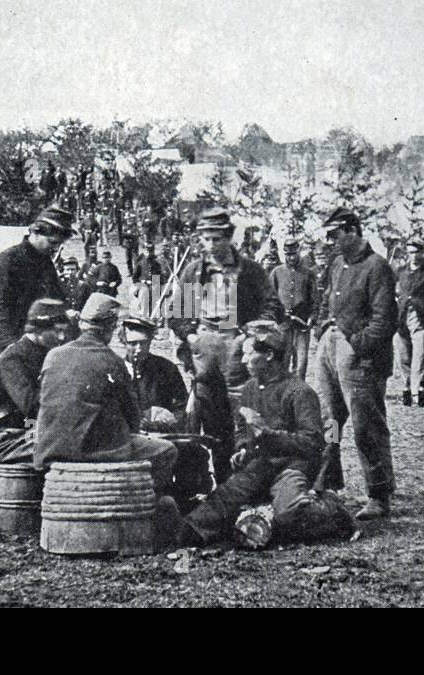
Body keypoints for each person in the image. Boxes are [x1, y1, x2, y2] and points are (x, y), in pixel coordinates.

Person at [178, 321, 355, 548]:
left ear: (269, 355)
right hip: (260, 464)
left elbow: (313, 443)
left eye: (248, 354)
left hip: (292, 467)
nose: (242, 361)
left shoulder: (299, 392)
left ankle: (334, 514)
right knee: (220, 501)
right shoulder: (251, 388)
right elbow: (242, 429)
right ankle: (193, 531)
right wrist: (243, 448)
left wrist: (268, 435)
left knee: (288, 513)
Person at [34, 293, 181, 542]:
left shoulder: (53, 355)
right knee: (166, 451)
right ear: (110, 329)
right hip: (92, 448)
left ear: (82, 324)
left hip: (49, 446)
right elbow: (133, 421)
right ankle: (143, 507)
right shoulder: (112, 362)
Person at [167, 208, 282, 485]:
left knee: (243, 414)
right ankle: (222, 483)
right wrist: (191, 336)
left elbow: (272, 306)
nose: (210, 245)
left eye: (216, 239)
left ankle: (247, 482)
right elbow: (176, 312)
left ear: (229, 237)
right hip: (205, 347)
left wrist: (250, 335)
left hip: (237, 347)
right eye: (205, 239)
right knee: (210, 417)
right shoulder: (195, 271)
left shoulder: (250, 271)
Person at [313, 208, 398, 520]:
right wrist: (324, 326)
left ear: (352, 230)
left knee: (367, 426)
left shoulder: (377, 268)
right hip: (330, 348)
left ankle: (379, 494)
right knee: (328, 420)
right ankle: (329, 485)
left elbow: (385, 319)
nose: (330, 241)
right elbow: (326, 299)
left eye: (334, 234)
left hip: (361, 357)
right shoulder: (338, 264)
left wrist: (357, 345)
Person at [122, 314, 211, 504]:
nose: (138, 349)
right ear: (123, 341)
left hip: (162, 435)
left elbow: (181, 408)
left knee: (191, 453)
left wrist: (167, 420)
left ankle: (180, 503)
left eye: (143, 343)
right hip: (127, 437)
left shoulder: (165, 369)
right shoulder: (115, 369)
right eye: (132, 344)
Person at [0, 299, 69, 463]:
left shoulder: (44, 352)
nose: (62, 337)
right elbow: (31, 405)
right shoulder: (13, 359)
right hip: (8, 436)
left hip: (30, 430)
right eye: (57, 331)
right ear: (38, 329)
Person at [0, 205, 73, 360]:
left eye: (58, 244)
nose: (55, 248)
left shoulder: (45, 261)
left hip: (37, 349)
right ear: (36, 232)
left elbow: (56, 298)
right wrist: (15, 348)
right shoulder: (7, 261)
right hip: (8, 353)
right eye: (52, 242)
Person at [394, 239, 424, 407]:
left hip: (420, 319)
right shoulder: (401, 272)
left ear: (422, 253)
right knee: (403, 356)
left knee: (419, 355)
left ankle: (419, 391)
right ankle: (408, 388)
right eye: (410, 252)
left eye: (416, 252)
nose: (413, 256)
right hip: (400, 319)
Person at [270, 238, 315, 379]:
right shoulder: (277, 272)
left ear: (299, 252)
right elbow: (270, 298)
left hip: (302, 325)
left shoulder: (308, 273)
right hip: (282, 324)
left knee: (300, 364)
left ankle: (298, 394)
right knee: (282, 360)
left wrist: (312, 319)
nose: (291, 257)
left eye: (294, 253)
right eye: (287, 254)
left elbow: (315, 300)